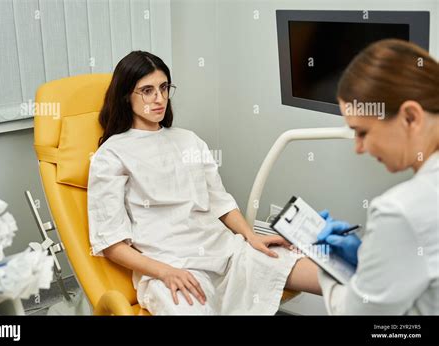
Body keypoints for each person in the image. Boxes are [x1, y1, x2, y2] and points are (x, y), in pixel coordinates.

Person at [87, 51, 320, 315]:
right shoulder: (111, 155)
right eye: (147, 91)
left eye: (164, 88)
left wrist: (251, 236)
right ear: (126, 95)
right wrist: (165, 272)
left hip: (227, 253)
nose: (160, 98)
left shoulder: (189, 140)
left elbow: (220, 202)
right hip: (173, 267)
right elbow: (111, 244)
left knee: (326, 274)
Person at [316, 39, 439, 314]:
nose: (359, 148)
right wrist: (368, 258)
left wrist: (325, 263)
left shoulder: (400, 210)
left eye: (362, 132)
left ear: (410, 117)